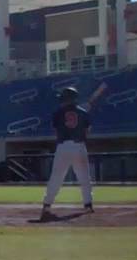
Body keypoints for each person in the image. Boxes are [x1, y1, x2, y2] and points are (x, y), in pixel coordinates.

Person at [39, 85, 103, 221]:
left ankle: (47, 206)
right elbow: (87, 132)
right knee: (84, 177)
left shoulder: (57, 113)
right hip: (79, 146)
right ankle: (88, 205)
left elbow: (57, 131)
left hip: (63, 146)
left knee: (56, 177)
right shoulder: (84, 113)